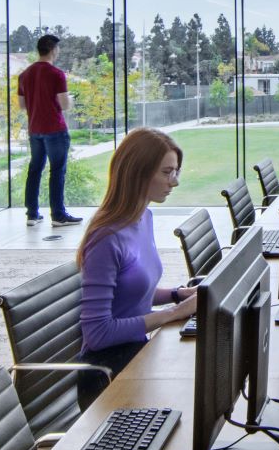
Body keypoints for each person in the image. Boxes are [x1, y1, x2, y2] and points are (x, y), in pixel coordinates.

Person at [74, 128, 198, 380]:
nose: (174, 182)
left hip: (137, 352)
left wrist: (177, 295)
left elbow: (130, 290)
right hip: (108, 371)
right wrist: (174, 313)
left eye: (176, 172)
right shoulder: (107, 238)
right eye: (166, 172)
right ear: (137, 173)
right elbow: (97, 334)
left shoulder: (143, 218)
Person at [18, 35, 77, 227]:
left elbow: (22, 105)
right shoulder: (56, 74)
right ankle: (58, 215)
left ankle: (32, 214)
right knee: (57, 171)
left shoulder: (25, 75)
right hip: (55, 129)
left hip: (34, 130)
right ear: (53, 49)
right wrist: (71, 99)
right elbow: (65, 104)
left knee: (35, 170)